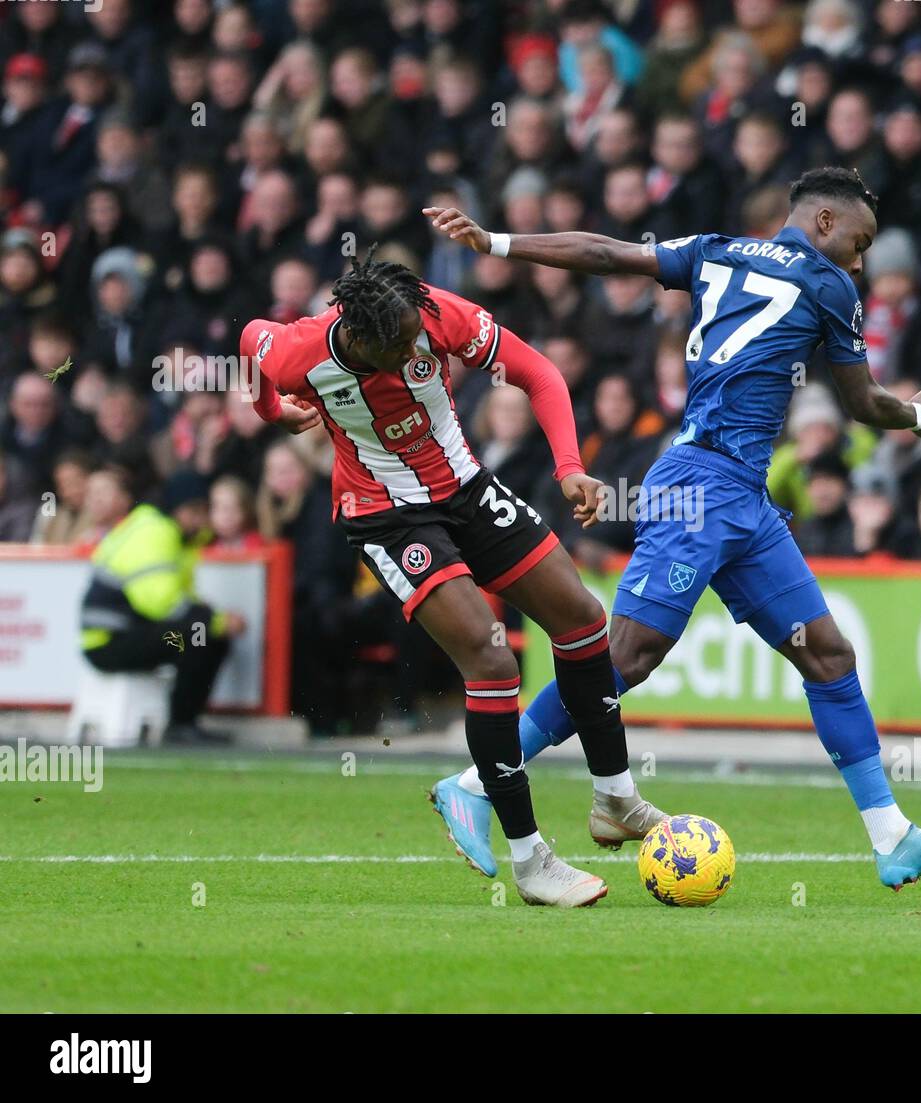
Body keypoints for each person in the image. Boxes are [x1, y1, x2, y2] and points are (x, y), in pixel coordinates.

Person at [427, 166, 921, 893]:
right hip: (703, 486)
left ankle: (893, 837)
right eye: (859, 241)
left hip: (738, 496)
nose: (860, 259)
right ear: (824, 224)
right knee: (624, 655)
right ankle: (477, 780)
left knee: (827, 653)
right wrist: (919, 416)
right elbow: (863, 403)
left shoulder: (716, 249)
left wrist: (497, 240)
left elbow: (607, 254)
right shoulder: (830, 286)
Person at [239, 249, 664, 907]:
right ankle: (530, 860)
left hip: (465, 487)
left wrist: (570, 466)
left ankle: (614, 794)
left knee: (582, 619)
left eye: (420, 336)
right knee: (492, 660)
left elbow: (539, 373)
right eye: (406, 345)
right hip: (386, 515)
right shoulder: (302, 352)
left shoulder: (437, 313)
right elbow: (250, 339)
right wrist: (272, 410)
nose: (422, 349)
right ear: (365, 342)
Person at [78, 467, 245, 746]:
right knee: (200, 637)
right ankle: (181, 725)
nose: (206, 520)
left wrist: (211, 619)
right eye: (201, 511)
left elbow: (179, 600)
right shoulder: (157, 532)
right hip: (109, 641)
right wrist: (217, 622)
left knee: (203, 634)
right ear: (183, 510)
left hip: (110, 636)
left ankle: (183, 722)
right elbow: (164, 605)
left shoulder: (159, 530)